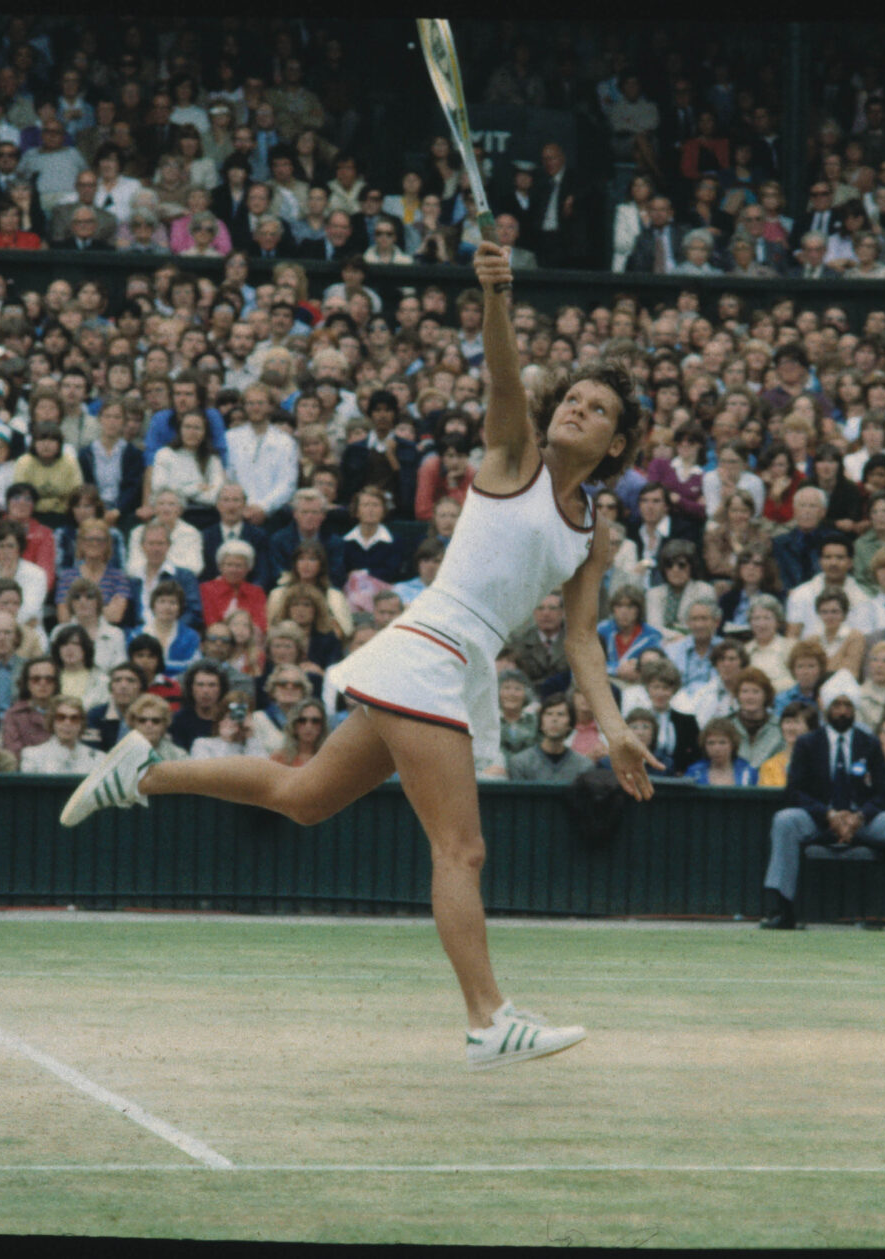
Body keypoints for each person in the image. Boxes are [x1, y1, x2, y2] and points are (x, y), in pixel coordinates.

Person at [61, 240, 657, 1071]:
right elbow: (503, 379)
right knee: (462, 849)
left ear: (618, 444)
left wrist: (616, 727)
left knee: (304, 796)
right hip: (428, 648)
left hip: (455, 661)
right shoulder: (514, 453)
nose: (576, 409)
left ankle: (144, 772)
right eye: (574, 397)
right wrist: (495, 297)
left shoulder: (593, 530)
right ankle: (488, 1018)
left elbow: (583, 636)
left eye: (597, 410)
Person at [759, 678, 885, 932]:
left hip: (861, 821)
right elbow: (794, 791)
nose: (842, 711)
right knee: (785, 820)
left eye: (847, 705)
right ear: (826, 707)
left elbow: (883, 793)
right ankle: (781, 910)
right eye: (837, 705)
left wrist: (859, 816)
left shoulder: (869, 743)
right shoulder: (808, 742)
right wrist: (827, 814)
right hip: (818, 819)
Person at [506, 690, 594, 784]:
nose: (554, 719)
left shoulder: (583, 766)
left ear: (570, 724)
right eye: (549, 714)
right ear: (541, 723)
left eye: (560, 714)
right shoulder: (521, 763)